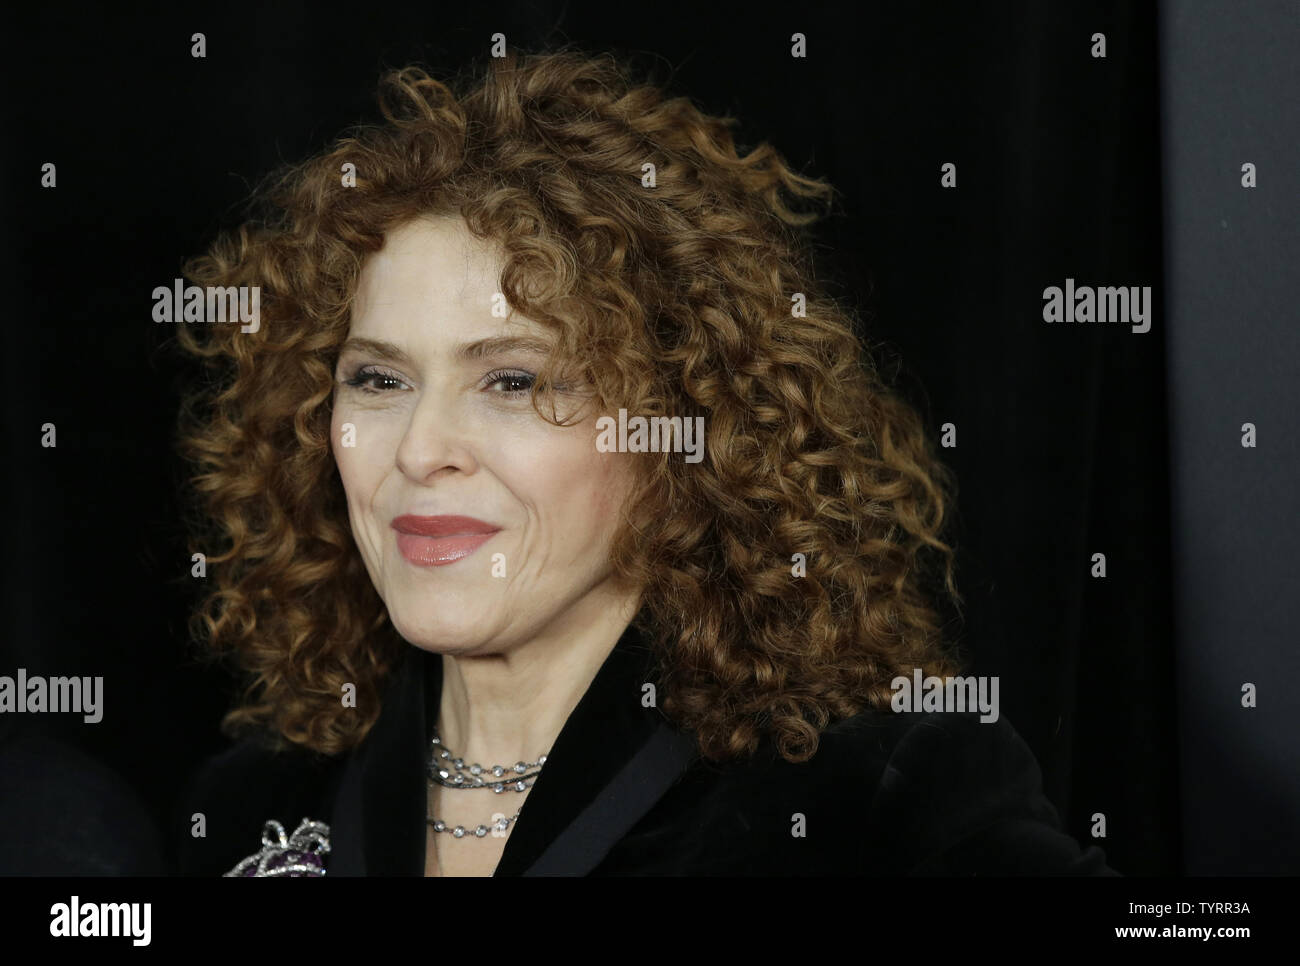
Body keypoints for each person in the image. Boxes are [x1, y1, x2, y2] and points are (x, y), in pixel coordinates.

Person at [171, 47, 1115, 876]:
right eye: (378, 380)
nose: (421, 451)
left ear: (677, 419)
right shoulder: (253, 799)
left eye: (512, 382)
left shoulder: (870, 796)